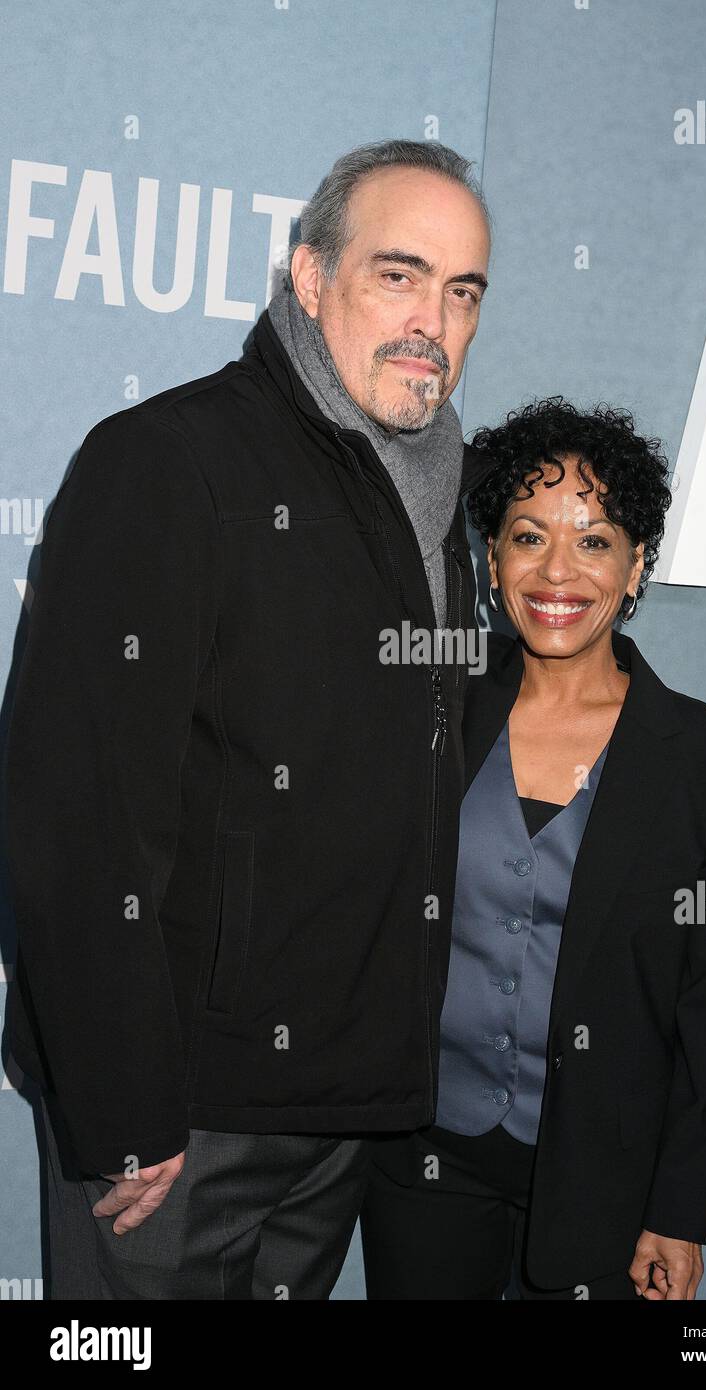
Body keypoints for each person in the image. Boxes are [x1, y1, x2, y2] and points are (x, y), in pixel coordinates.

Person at [2, 138, 493, 1299]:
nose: (432, 318)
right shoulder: (166, 464)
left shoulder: (444, 495)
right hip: (175, 1122)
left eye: (460, 291)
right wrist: (123, 1102)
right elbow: (75, 805)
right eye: (398, 274)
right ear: (307, 277)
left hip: (341, 1114)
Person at [360, 399, 706, 1301]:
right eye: (527, 536)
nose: (557, 571)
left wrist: (681, 1208)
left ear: (635, 571)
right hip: (422, 1163)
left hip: (611, 1184)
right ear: (493, 558)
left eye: (594, 542)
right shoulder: (432, 712)